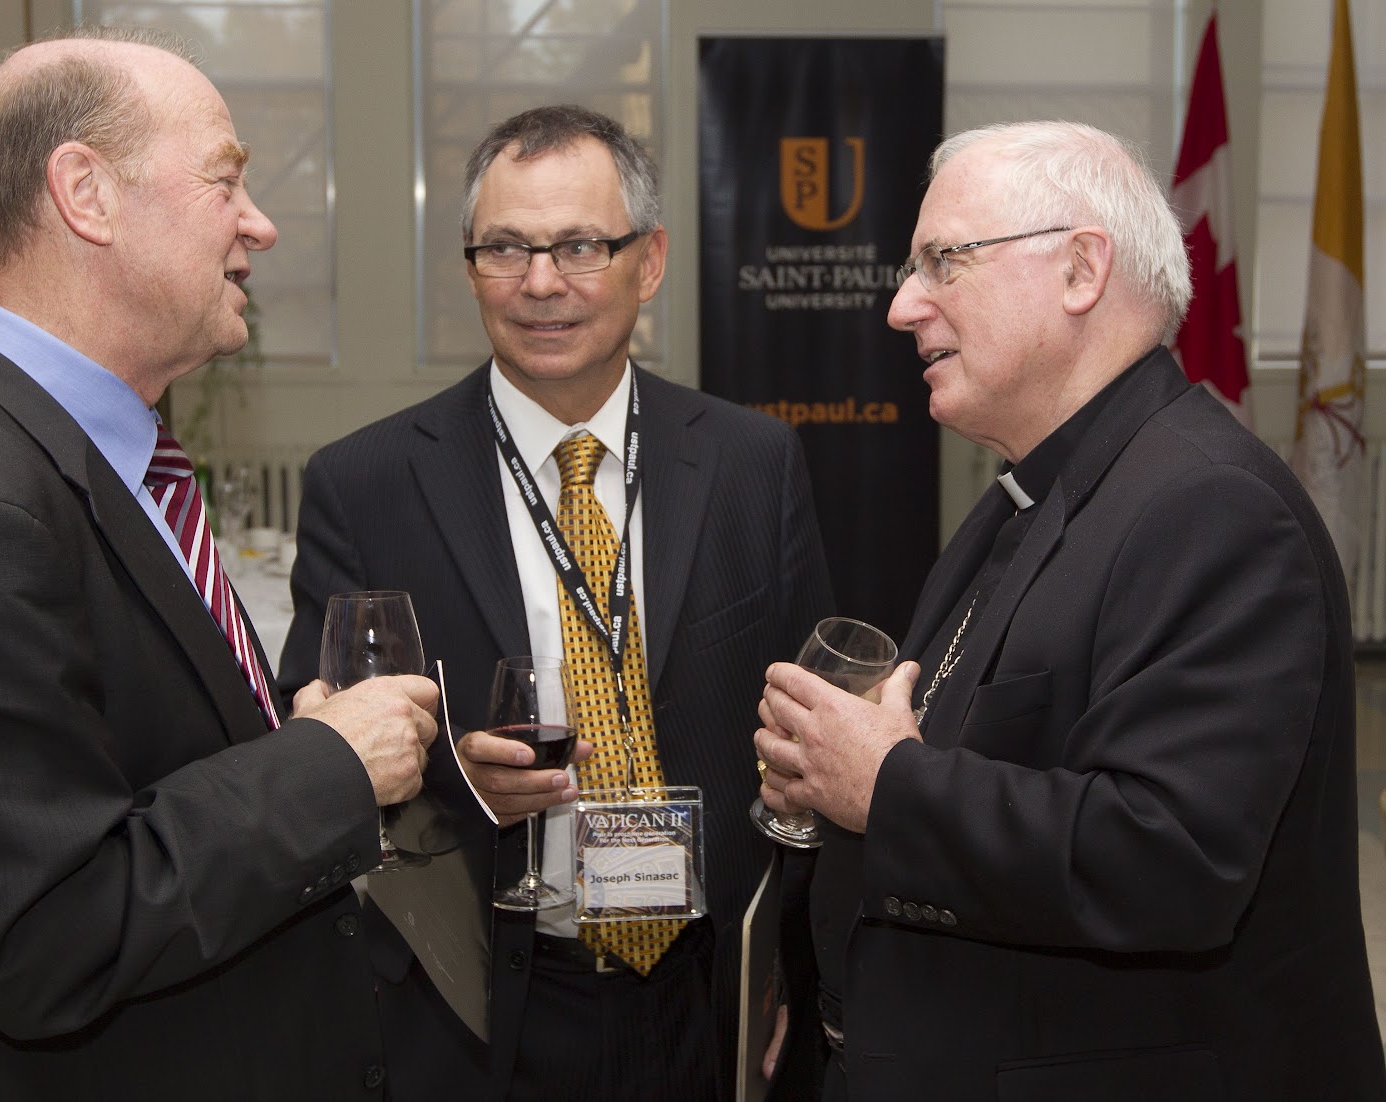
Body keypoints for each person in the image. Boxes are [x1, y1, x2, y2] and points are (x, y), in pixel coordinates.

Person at [0, 25, 439, 1101]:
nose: (262, 225)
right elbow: (43, 931)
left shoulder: (50, 453)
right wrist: (323, 764)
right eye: (226, 180)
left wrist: (286, 739)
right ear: (85, 195)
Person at [755, 119, 1386, 1101]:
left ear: (1081, 269)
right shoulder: (1040, 482)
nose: (900, 304)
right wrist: (847, 774)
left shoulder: (1210, 505)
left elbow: (1167, 857)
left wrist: (884, 783)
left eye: (942, 262)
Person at [278, 104, 834, 1101]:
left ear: (649, 260)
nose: (540, 282)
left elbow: (807, 751)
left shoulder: (755, 465)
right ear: (469, 265)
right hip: (479, 1007)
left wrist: (791, 965)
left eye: (579, 244)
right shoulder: (365, 486)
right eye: (505, 247)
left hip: (703, 998)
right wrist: (458, 783)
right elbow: (311, 761)